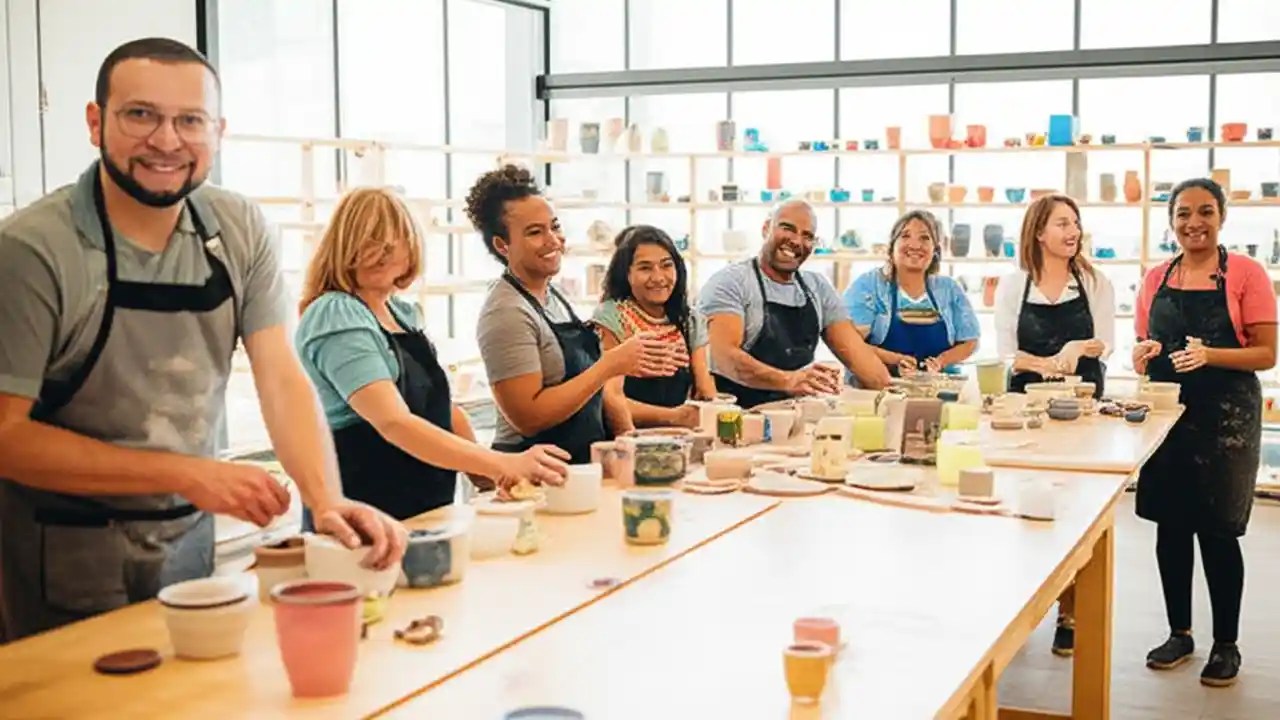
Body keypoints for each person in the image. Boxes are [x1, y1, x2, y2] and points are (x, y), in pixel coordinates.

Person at [0, 38, 405, 641]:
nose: (166, 141)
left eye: (189, 121)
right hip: (61, 560)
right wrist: (187, 473)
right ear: (94, 122)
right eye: (141, 115)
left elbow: (280, 375)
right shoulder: (33, 251)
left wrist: (326, 502)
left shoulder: (238, 230)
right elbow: (7, 438)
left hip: (189, 551)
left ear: (217, 130)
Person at [294, 188, 569, 520]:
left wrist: (487, 476)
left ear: (410, 249)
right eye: (367, 244)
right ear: (342, 248)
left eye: (390, 244)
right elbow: (394, 421)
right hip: (363, 515)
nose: (379, 255)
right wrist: (501, 461)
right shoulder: (336, 314)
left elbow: (442, 409)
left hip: (426, 510)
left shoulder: (401, 314)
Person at [1133, 178, 1276, 687]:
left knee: (1218, 532)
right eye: (1184, 213)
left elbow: (1266, 354)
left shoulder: (1246, 273)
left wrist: (1210, 354)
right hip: (1167, 414)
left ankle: (1226, 644)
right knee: (1170, 528)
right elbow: (1146, 341)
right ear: (1171, 220)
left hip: (1226, 419)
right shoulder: (1156, 276)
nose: (1194, 222)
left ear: (1221, 217)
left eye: (1205, 212)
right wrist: (1142, 353)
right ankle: (1180, 632)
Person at [469, 165, 675, 464]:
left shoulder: (553, 295)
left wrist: (628, 440)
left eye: (555, 226)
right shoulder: (506, 313)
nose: (553, 240)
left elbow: (592, 389)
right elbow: (528, 417)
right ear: (502, 245)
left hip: (576, 465)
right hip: (534, 472)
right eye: (535, 232)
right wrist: (609, 365)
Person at [698, 199, 891, 409]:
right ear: (766, 229)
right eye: (787, 228)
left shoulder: (817, 288)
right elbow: (723, 357)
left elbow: (860, 357)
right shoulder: (731, 282)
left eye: (807, 236)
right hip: (734, 418)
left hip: (794, 416)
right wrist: (789, 380)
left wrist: (894, 396)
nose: (797, 241)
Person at [593, 225, 715, 428]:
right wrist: (673, 417)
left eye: (666, 265)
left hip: (681, 435)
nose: (658, 278)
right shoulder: (611, 318)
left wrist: (715, 411)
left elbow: (705, 390)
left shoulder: (690, 320)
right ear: (627, 274)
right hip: (627, 434)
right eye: (645, 268)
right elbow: (610, 399)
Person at [995, 193, 1114, 399]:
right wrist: (1047, 365)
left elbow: (1105, 343)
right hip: (1026, 405)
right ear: (1039, 233)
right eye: (1063, 224)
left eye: (1076, 224)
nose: (1074, 232)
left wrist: (1079, 348)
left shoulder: (1094, 282)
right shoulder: (1013, 286)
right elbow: (1007, 355)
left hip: (1083, 404)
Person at [844, 210, 980, 380]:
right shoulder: (869, 286)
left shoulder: (949, 289)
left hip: (938, 391)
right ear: (891, 247)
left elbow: (969, 342)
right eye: (905, 236)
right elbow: (848, 343)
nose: (915, 245)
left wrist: (940, 361)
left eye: (925, 238)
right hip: (877, 391)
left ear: (935, 250)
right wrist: (896, 360)